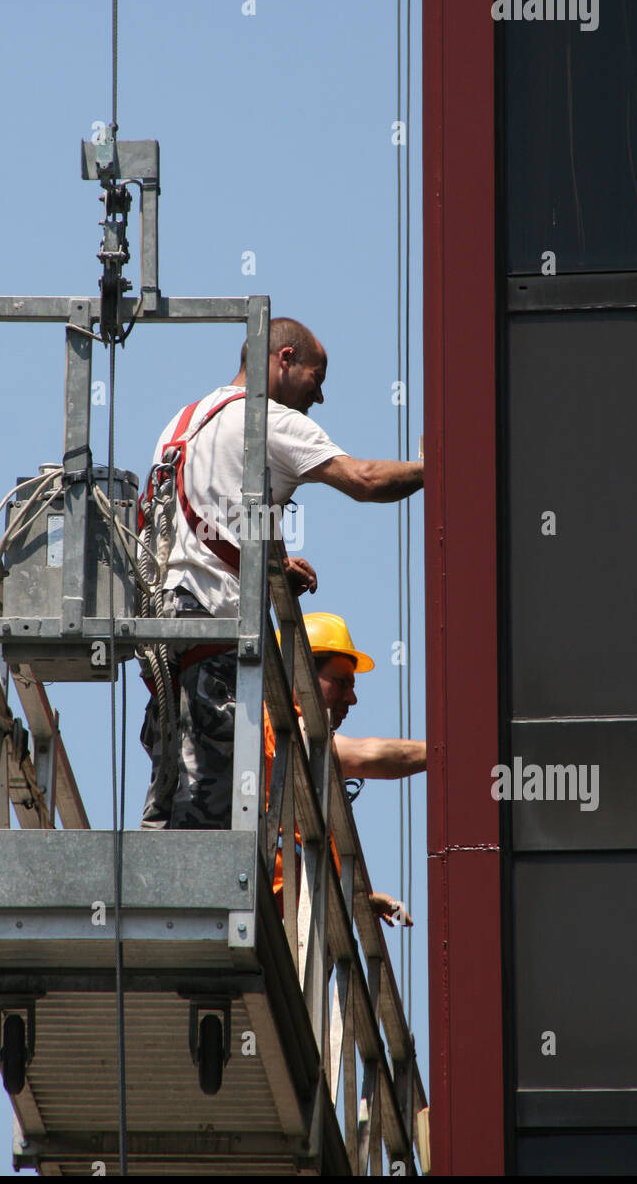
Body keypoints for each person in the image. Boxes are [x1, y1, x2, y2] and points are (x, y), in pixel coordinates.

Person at [140, 317, 424, 830]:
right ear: (284, 359)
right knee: (209, 825)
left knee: (172, 794)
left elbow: (228, 508)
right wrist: (437, 468)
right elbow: (363, 480)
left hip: (169, 635)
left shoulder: (185, 421)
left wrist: (273, 564)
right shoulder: (269, 420)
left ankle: (147, 900)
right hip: (218, 639)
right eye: (316, 380)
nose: (318, 398)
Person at [267, 611, 425, 927]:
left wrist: (359, 895)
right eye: (341, 682)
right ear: (299, 675)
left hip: (291, 930)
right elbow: (367, 755)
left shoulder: (291, 741)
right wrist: (451, 752)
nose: (351, 698)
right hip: (271, 923)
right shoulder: (273, 726)